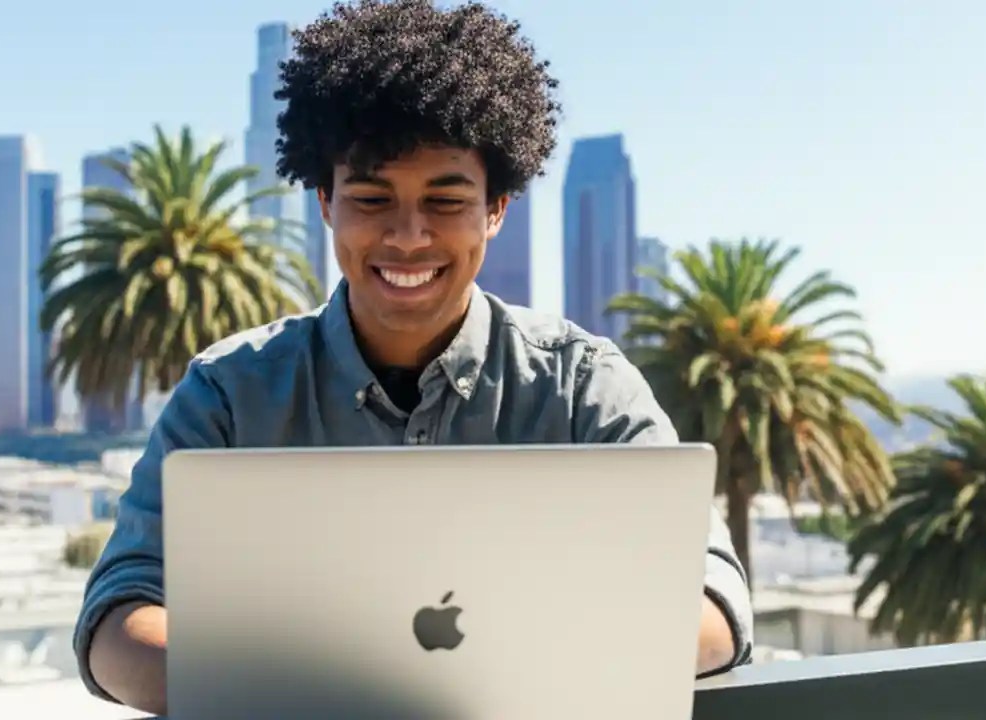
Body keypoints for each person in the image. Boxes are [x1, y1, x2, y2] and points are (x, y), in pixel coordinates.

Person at [73, 0, 752, 714]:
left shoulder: (583, 385)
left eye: (445, 199)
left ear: (497, 207)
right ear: (325, 200)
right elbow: (116, 621)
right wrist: (303, 694)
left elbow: (714, 604)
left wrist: (499, 679)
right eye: (371, 197)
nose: (406, 235)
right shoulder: (227, 394)